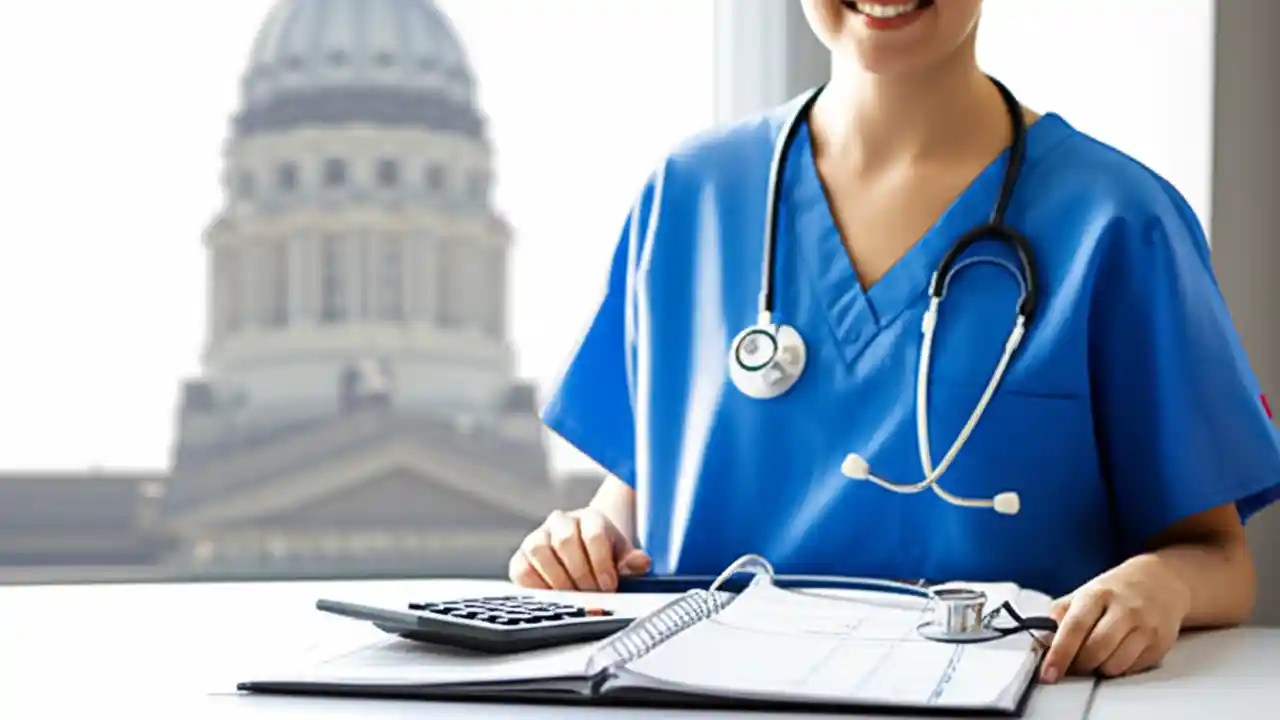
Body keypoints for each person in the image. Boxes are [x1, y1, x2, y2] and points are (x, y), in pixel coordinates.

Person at [511, 0, 1280, 685]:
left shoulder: (1117, 222)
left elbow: (1216, 556)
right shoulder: (689, 196)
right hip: (702, 701)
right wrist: (589, 539)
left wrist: (1162, 587)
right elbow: (649, 489)